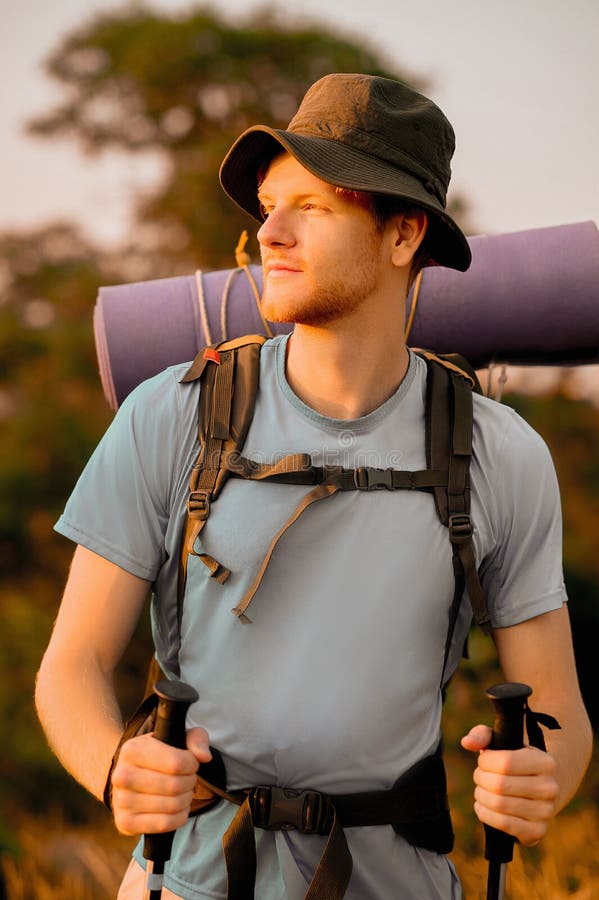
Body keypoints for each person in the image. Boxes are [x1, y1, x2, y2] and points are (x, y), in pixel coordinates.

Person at [36, 73, 591, 899]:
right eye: (268, 207)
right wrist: (114, 765)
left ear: (403, 235)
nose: (271, 233)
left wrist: (542, 777)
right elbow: (71, 667)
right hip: (184, 883)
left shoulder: (499, 453)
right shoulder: (171, 415)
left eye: (312, 207)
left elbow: (559, 715)